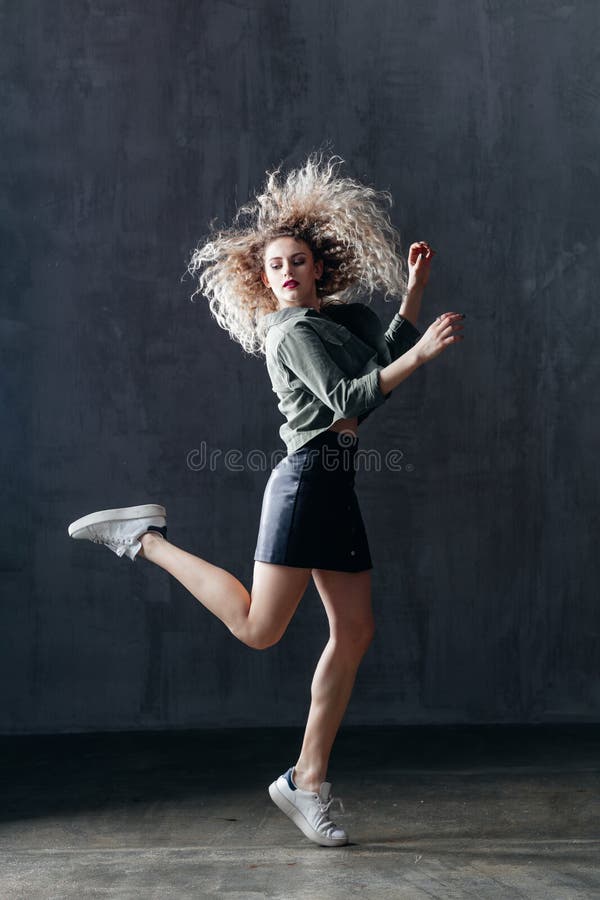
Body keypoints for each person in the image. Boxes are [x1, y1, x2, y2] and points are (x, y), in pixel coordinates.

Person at [67, 152, 465, 847]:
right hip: (308, 483)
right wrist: (423, 354)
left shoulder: (331, 323)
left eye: (297, 261)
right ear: (264, 280)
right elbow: (347, 399)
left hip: (334, 485)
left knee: (357, 631)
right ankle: (145, 539)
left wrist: (412, 298)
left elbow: (373, 371)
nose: (286, 271)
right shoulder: (290, 331)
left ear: (319, 269)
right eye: (275, 264)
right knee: (259, 630)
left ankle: (306, 782)